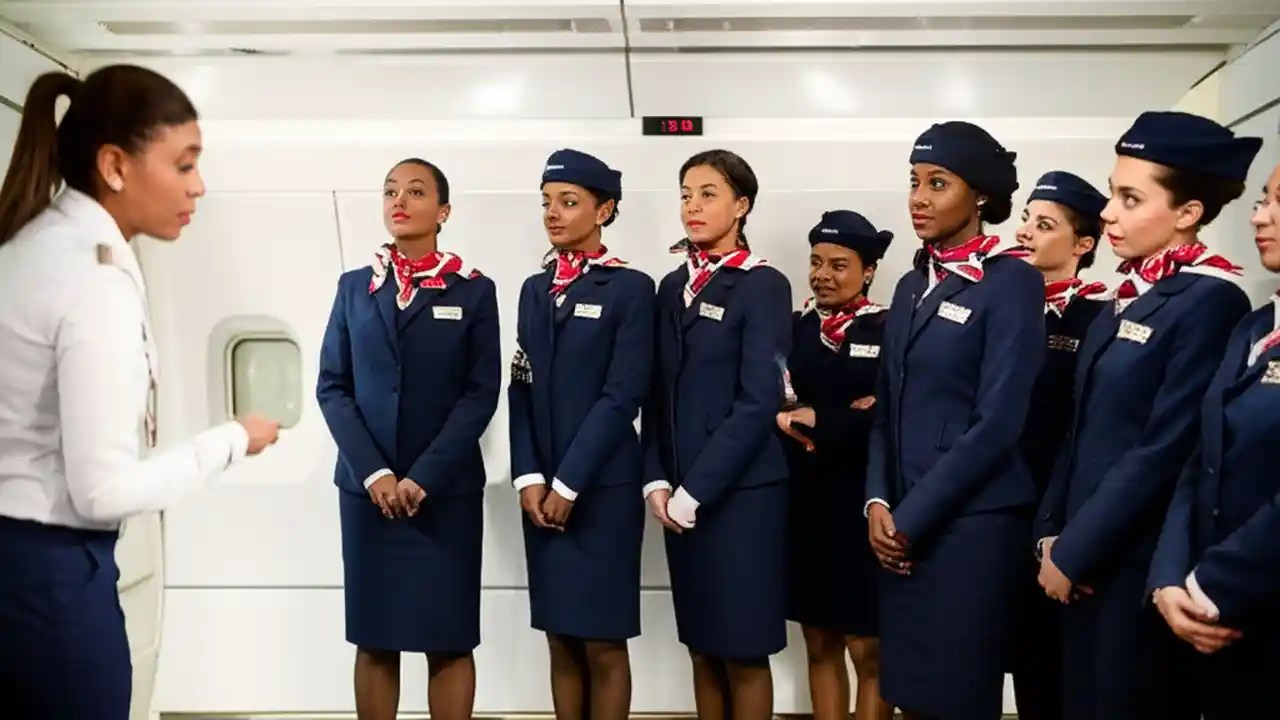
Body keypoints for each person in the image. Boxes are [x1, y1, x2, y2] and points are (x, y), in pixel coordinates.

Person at [0, 66, 279, 719]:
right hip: (50, 579)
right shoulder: (92, 281)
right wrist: (233, 439)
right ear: (115, 166)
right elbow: (103, 489)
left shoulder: (31, 245)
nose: (199, 185)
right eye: (184, 165)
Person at [1034, 111, 1258, 720]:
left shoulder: (1211, 299)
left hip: (1133, 563)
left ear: (1187, 213)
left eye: (1129, 198)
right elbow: (1079, 430)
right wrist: (1050, 535)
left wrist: (1076, 551)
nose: (1108, 212)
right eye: (1112, 192)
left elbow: (1165, 449)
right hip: (1079, 556)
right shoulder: (1127, 295)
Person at [864, 120, 1045, 720]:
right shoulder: (914, 284)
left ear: (982, 197)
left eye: (937, 183)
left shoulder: (1013, 282)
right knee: (909, 694)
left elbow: (997, 423)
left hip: (970, 529)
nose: (918, 197)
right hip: (901, 526)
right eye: (914, 182)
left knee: (957, 696)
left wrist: (910, 521)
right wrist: (877, 504)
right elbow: (885, 411)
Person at [316, 158, 500, 720]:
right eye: (391, 190)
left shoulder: (473, 292)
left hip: (443, 494)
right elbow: (332, 387)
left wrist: (423, 476)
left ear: (443, 212)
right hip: (366, 492)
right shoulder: (356, 289)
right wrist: (376, 473)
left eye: (416, 192)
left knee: (448, 638)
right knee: (375, 638)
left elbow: (480, 393)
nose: (399, 200)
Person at [642, 149, 792, 720]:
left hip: (741, 496)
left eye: (708, 193)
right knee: (702, 647)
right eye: (685, 193)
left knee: (744, 652)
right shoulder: (669, 286)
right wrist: (655, 476)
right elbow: (655, 393)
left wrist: (693, 490)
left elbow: (759, 402)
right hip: (677, 495)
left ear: (741, 205)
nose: (693, 206)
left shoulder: (763, 286)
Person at [508, 149, 654, 720]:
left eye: (568, 203)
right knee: (559, 635)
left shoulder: (630, 289)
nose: (554, 214)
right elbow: (520, 384)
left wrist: (567, 484)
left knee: (602, 639)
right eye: (547, 203)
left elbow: (623, 396)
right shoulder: (532, 289)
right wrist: (528, 476)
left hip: (602, 490)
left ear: (605, 209)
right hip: (540, 488)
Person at [1147, 157, 1280, 719]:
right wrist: (1168, 579)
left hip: (1249, 604)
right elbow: (1200, 460)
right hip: (1211, 618)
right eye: (1262, 200)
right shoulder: (1253, 327)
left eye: (1276, 201)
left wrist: (1210, 587)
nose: (1259, 216)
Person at [777, 210, 895, 720]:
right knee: (819, 641)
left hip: (862, 503)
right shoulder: (793, 329)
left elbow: (891, 415)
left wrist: (819, 418)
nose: (823, 274)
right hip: (803, 503)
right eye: (816, 262)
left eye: (839, 265)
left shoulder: (891, 327)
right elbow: (772, 402)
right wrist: (844, 413)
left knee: (869, 650)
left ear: (868, 271)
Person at [1009, 171, 1109, 720]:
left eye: (1044, 225)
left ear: (1083, 244)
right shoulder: (1003, 307)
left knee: (1063, 672)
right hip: (1003, 509)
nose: (1025, 232)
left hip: (1061, 517)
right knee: (1023, 664)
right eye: (1026, 218)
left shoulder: (1100, 316)